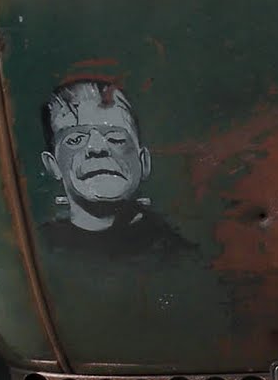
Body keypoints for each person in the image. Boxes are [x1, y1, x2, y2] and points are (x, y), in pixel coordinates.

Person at [39, 77, 187, 253]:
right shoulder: (40, 247)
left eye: (115, 138)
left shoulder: (177, 253)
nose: (97, 148)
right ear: (53, 165)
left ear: (144, 162)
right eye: (76, 139)